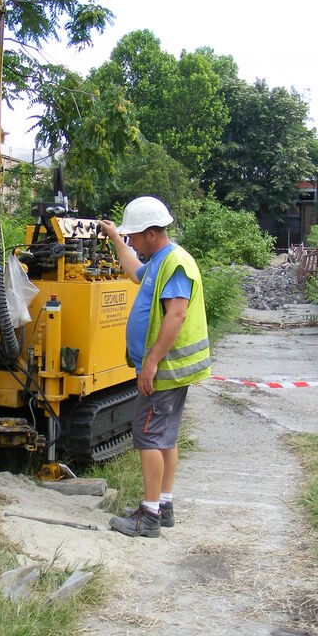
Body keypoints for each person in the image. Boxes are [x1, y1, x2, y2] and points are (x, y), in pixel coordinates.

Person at [98, 197, 211, 538]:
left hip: (163, 372)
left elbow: (176, 315)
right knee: (165, 439)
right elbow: (134, 273)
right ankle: (163, 504)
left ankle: (148, 517)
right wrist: (116, 238)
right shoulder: (160, 260)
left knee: (148, 437)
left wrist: (150, 363)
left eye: (133, 235)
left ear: (151, 233)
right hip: (166, 369)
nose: (131, 240)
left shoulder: (175, 264)